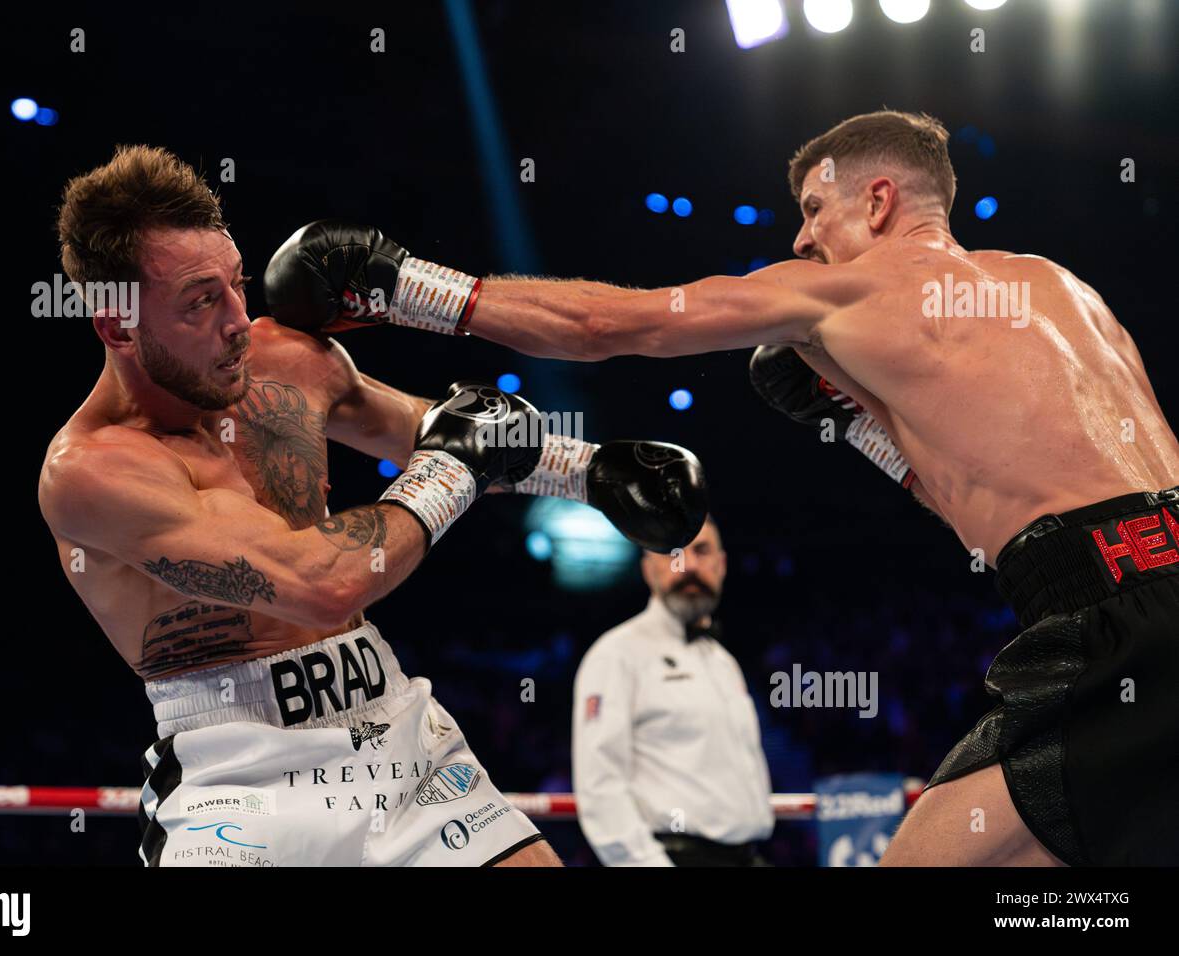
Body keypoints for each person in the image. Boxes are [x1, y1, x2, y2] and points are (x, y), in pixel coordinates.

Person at [263, 110, 1179, 866]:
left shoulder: (852, 296)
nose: (802, 235)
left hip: (1105, 623)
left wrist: (401, 284)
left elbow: (604, 324)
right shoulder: (1065, 292)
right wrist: (858, 424)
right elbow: (989, 497)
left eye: (816, 209)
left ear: (880, 199)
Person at [36, 145, 704, 867]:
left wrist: (595, 471)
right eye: (201, 301)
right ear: (118, 326)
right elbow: (321, 584)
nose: (237, 319)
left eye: (237, 283)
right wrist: (450, 465)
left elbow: (437, 431)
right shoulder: (92, 472)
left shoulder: (279, 361)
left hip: (393, 731)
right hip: (235, 773)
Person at [572, 517, 774, 867]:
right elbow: (600, 787)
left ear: (721, 565)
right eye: (673, 552)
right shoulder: (616, 653)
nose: (689, 565)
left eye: (702, 551)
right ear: (649, 569)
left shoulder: (723, 661)